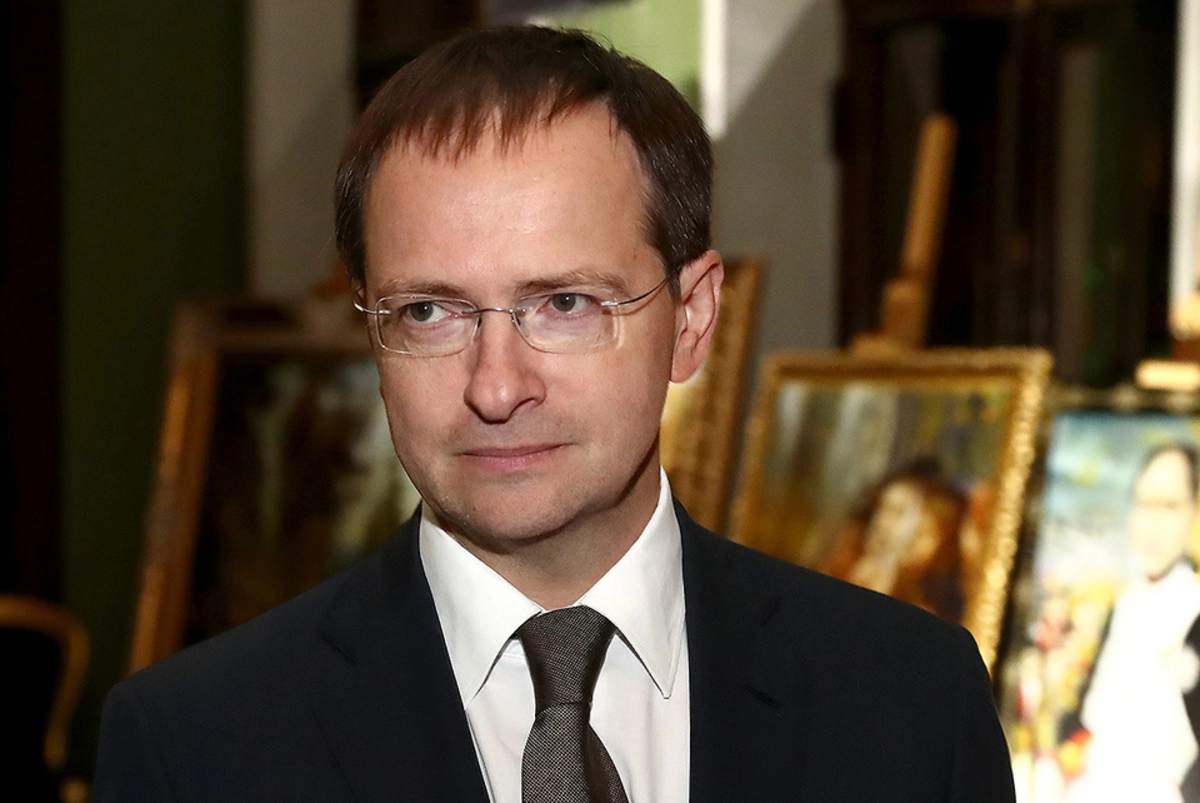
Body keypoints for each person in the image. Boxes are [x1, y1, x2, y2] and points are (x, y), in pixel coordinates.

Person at [93, 26, 1014, 801]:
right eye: (430, 311)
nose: (496, 388)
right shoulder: (195, 751)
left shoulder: (910, 706)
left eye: (565, 303)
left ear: (691, 320)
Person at [1067, 442, 1200, 803]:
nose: (1153, 523)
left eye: (1170, 506)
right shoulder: (1123, 604)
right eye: (1143, 504)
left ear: (1194, 511)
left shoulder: (1194, 609)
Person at [824, 458, 967, 620]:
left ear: (923, 524)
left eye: (897, 512)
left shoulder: (920, 611)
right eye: (880, 509)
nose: (882, 522)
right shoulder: (844, 572)